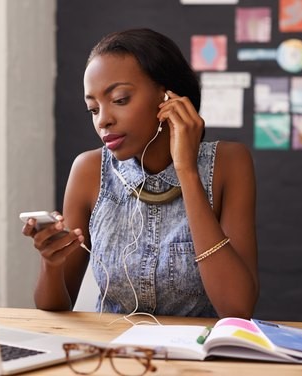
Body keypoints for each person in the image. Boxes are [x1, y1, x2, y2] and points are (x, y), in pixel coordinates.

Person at [22, 28, 258, 318]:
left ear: (168, 97)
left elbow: (238, 308)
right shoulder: (88, 171)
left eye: (120, 99)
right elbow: (53, 308)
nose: (104, 120)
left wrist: (186, 170)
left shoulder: (228, 163)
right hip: (114, 357)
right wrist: (52, 263)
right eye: (93, 109)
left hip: (200, 358)